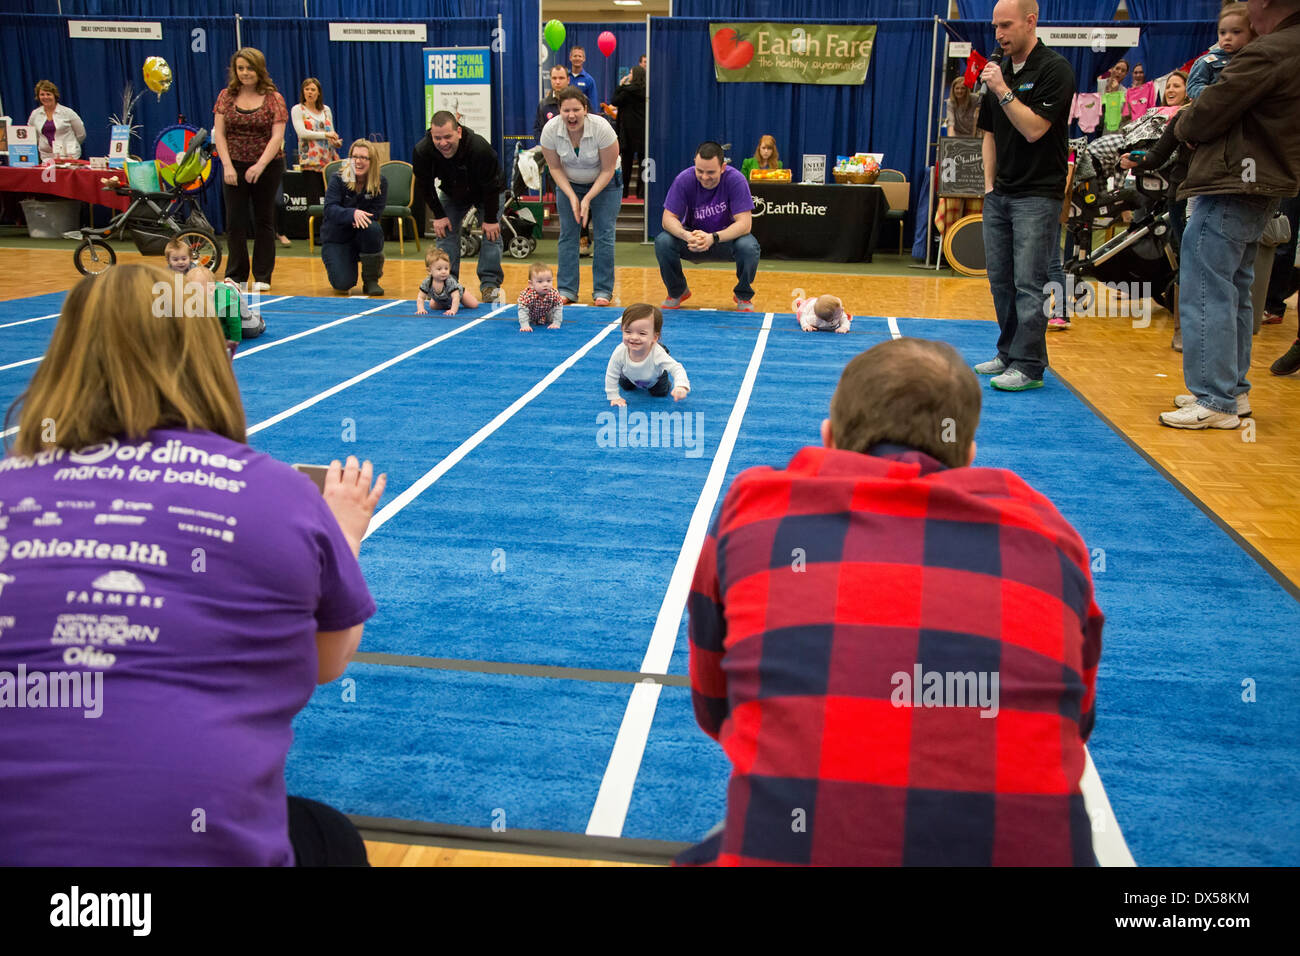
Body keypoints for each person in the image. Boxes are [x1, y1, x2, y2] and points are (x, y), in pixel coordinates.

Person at [0, 264, 385, 866]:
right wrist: (343, 532)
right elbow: (325, 660)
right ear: (208, 355)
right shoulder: (275, 494)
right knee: (329, 839)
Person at [676, 337, 1103, 866]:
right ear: (968, 456)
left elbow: (716, 707)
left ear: (829, 438)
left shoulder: (756, 509)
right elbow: (1076, 722)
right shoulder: (1051, 536)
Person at [1158, 0, 1300, 429]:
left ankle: (1215, 398)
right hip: (1261, 184)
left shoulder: (1269, 51)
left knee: (1207, 286)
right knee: (1236, 288)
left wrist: (1179, 127)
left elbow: (1204, 114)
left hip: (1232, 183)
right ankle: (1231, 392)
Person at [974, 0, 1075, 391]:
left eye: (1006, 26)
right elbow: (989, 134)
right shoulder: (998, 71)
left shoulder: (1054, 69)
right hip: (1000, 194)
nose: (998, 35)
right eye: (995, 26)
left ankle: (1030, 366)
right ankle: (1009, 352)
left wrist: (1001, 89)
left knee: (1029, 283)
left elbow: (1035, 129)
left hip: (1038, 194)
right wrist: (988, 186)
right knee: (1001, 280)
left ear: (1031, 22)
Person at [212, 47, 289, 293]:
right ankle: (236, 275)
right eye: (241, 68)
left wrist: (260, 165)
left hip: (267, 165)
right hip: (233, 164)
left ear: (260, 69)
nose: (245, 73)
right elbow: (220, 135)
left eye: (250, 68)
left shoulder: (273, 98)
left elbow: (277, 136)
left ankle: (263, 274)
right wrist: (227, 165)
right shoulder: (225, 96)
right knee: (235, 221)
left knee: (264, 219)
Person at [411, 111, 506, 303]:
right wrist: (439, 215)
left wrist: (489, 220)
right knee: (445, 232)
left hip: (487, 192)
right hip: (453, 192)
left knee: (491, 234)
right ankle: (446, 284)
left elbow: (492, 185)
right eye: (437, 138)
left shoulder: (479, 148)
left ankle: (490, 285)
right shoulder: (423, 150)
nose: (443, 143)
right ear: (431, 136)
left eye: (448, 137)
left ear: (459, 132)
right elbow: (425, 185)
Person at [655, 142, 761, 311]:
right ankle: (678, 291)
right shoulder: (684, 179)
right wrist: (686, 235)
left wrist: (713, 237)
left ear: (723, 167)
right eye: (700, 171)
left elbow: (745, 224)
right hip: (693, 240)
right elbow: (667, 219)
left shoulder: (736, 180)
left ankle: (743, 295)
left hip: (725, 240)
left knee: (749, 246)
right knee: (663, 241)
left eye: (711, 172)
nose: (704, 177)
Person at [540, 88, 621, 306]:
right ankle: (566, 289)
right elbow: (554, 168)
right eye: (566, 110)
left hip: (606, 183)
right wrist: (572, 196)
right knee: (568, 234)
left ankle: (602, 291)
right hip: (569, 183)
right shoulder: (550, 130)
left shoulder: (602, 128)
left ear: (585, 109)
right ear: (560, 111)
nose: (571, 115)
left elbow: (608, 169)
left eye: (576, 109)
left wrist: (586, 199)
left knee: (604, 235)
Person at [320, 139, 388, 296]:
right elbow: (330, 209)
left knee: (373, 228)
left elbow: (376, 213)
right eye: (354, 156)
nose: (358, 161)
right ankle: (339, 259)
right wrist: (352, 214)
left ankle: (371, 280)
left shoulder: (380, 182)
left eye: (364, 157)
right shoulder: (338, 179)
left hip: (362, 234)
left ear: (372, 161)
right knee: (343, 284)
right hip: (337, 238)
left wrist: (359, 219)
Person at [604, 303, 689, 404]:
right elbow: (611, 373)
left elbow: (677, 368)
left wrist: (681, 385)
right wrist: (613, 396)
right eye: (628, 331)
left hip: (654, 379)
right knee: (626, 386)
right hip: (629, 376)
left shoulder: (657, 353)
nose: (634, 337)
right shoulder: (620, 351)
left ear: (654, 337)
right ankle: (630, 380)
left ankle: (662, 365)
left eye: (642, 333)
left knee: (660, 393)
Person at [1186, 3, 1256, 99]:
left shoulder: (1256, 59)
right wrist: (1217, 93)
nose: (1227, 37)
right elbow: (1193, 88)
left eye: (1236, 32)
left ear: (1252, 34)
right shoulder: (1207, 61)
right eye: (1222, 32)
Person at [27, 80, 85, 162]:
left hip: (69, 156)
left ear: (54, 95)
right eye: (42, 94)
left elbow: (81, 134)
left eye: (48, 94)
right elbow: (32, 136)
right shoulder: (35, 114)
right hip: (46, 157)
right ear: (38, 97)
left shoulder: (68, 112)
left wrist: (71, 146)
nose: (45, 97)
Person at [292, 76, 342, 170]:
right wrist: (326, 135)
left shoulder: (326, 110)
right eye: (307, 89)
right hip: (310, 162)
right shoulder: (298, 109)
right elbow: (302, 133)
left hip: (328, 162)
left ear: (318, 93)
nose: (309, 92)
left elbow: (331, 133)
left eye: (313, 90)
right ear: (303, 92)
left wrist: (335, 142)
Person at [612, 65, 647, 199]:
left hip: (627, 133)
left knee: (626, 164)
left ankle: (624, 191)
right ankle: (642, 193)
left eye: (631, 73)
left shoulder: (626, 92)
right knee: (644, 164)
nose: (629, 75)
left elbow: (614, 101)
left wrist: (620, 85)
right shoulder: (646, 92)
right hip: (643, 132)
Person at [417, 247, 479, 316]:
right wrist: (421, 309)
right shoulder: (427, 282)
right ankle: (446, 304)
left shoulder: (449, 281)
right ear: (429, 271)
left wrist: (453, 310)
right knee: (432, 306)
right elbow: (420, 297)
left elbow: (456, 297)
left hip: (459, 295)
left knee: (474, 304)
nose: (444, 271)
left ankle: (452, 304)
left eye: (446, 268)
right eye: (439, 269)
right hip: (441, 299)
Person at [517, 261, 565, 330]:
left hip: (548, 318)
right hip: (531, 318)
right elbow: (522, 310)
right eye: (540, 281)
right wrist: (524, 325)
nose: (545, 284)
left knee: (554, 311)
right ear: (531, 284)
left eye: (548, 281)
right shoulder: (527, 295)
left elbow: (558, 308)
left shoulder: (554, 293)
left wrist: (556, 322)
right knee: (525, 313)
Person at [535, 64, 571, 139]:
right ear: (550, 80)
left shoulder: (579, 101)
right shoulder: (543, 105)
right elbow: (538, 131)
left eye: (561, 78)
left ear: (568, 80)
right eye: (554, 78)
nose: (557, 82)